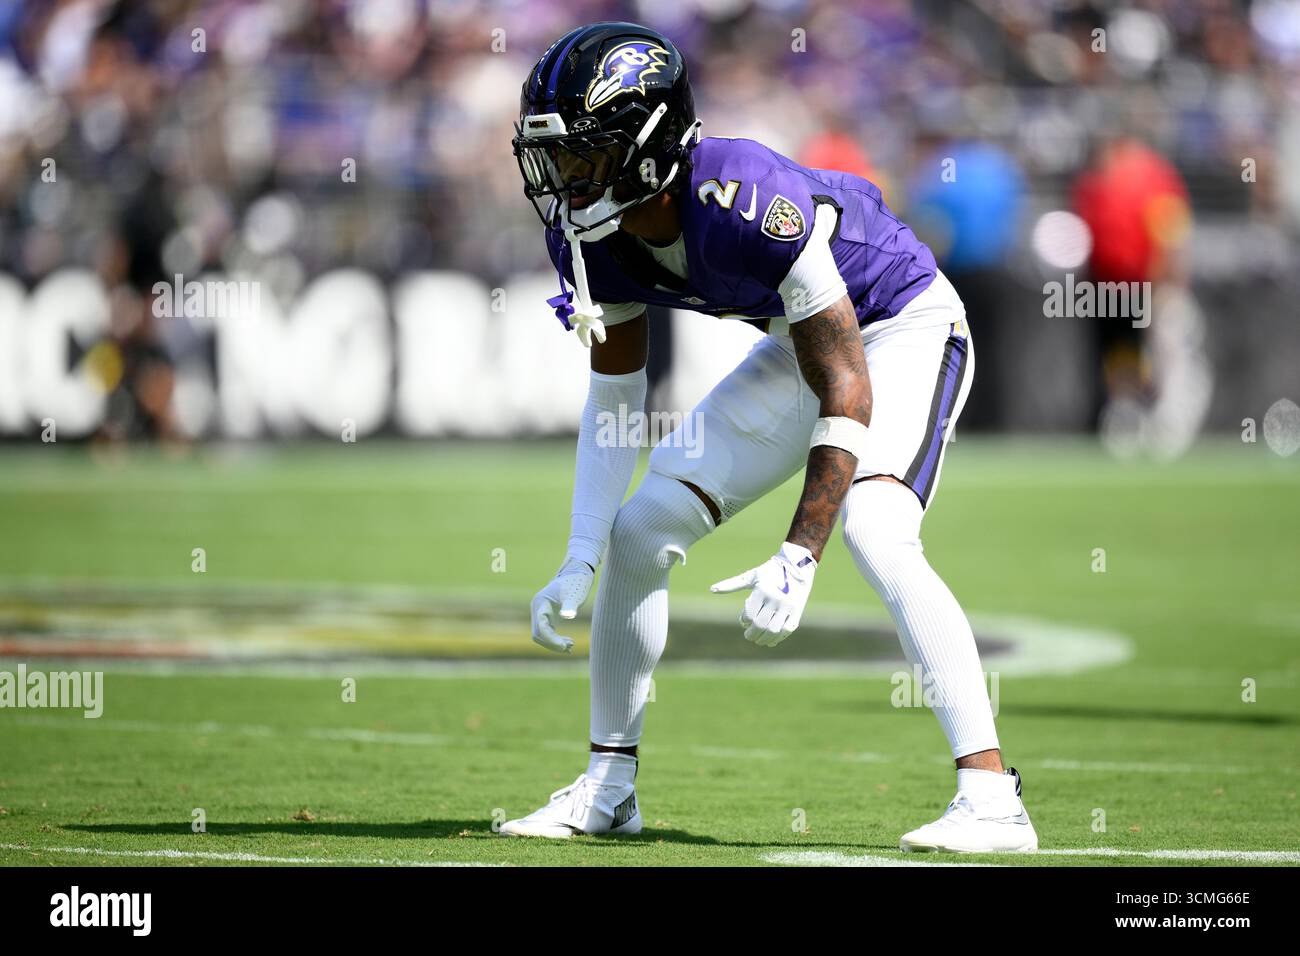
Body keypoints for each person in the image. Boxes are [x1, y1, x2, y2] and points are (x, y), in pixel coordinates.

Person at [503, 21, 1036, 853]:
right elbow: (616, 395)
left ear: (647, 148)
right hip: (800, 343)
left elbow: (850, 381)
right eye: (557, 156)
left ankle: (991, 795)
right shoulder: (590, 232)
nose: (563, 178)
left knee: (876, 530)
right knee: (641, 530)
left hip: (899, 325)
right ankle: (609, 789)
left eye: (583, 153)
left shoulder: (747, 195)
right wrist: (580, 551)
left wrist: (800, 551)